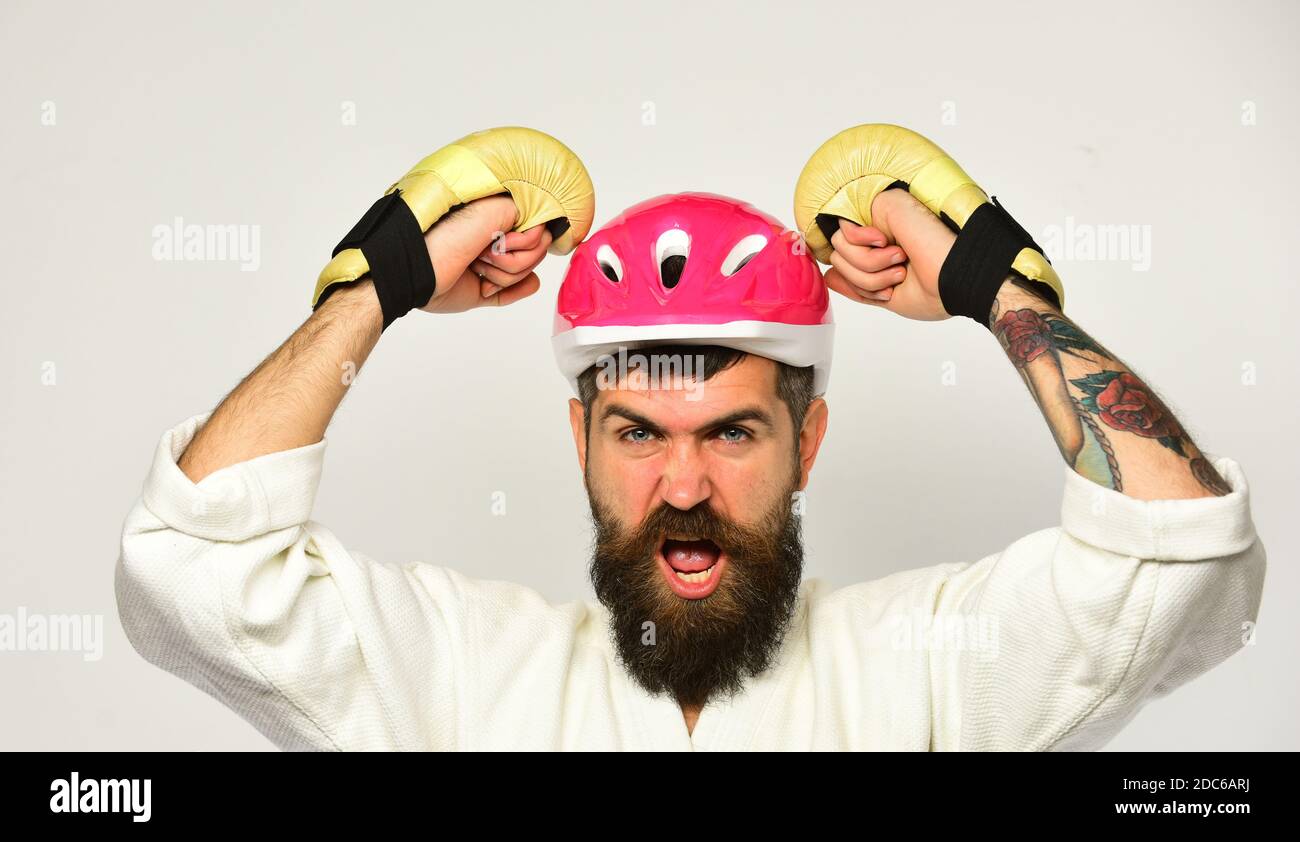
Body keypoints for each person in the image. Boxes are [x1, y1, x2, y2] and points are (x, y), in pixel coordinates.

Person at [115, 128, 1265, 751]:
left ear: (807, 443)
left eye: (732, 432)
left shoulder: (932, 672)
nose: (681, 483)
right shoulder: (459, 678)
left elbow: (1180, 548)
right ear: (578, 439)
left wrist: (991, 284)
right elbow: (189, 569)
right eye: (634, 431)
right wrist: (379, 283)